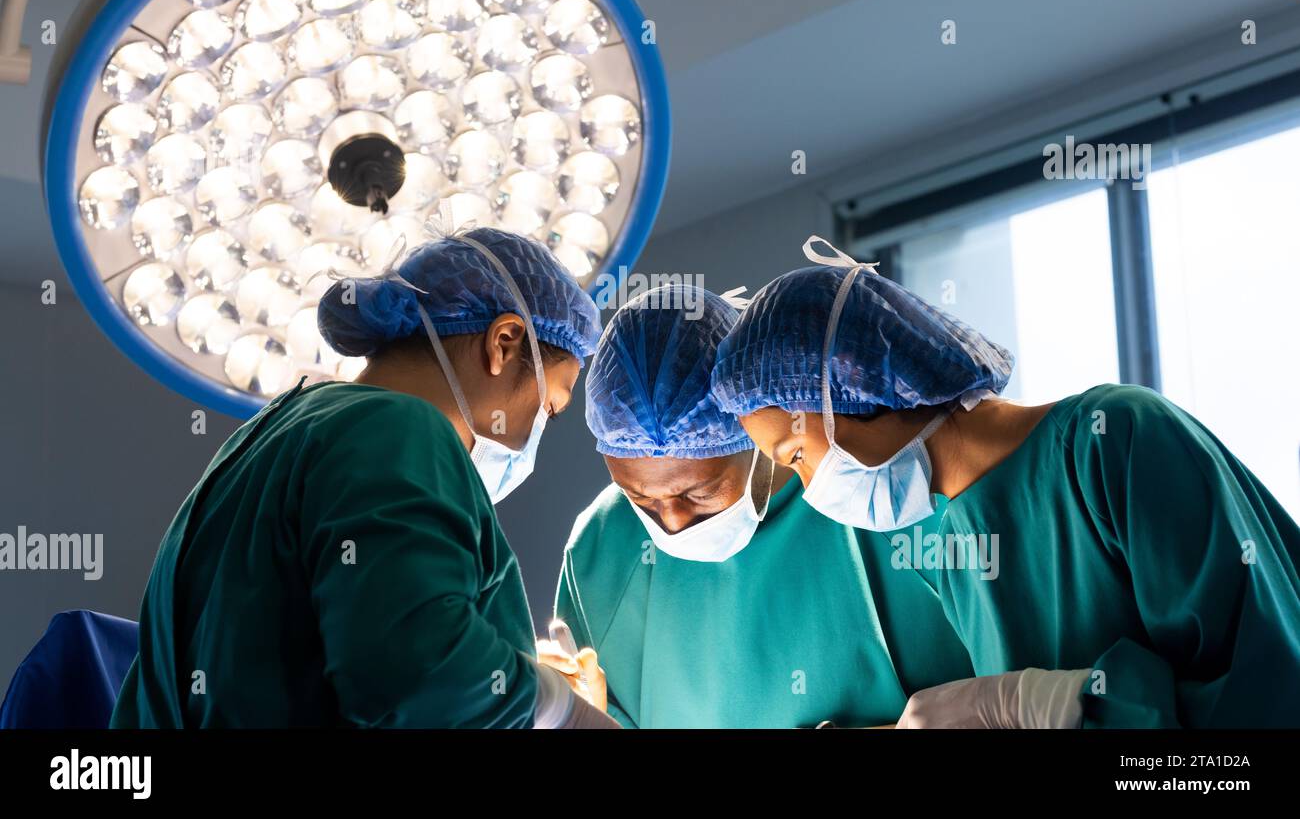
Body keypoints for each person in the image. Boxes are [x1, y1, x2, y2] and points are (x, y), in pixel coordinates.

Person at [711, 236, 1300, 728]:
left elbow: (1263, 704)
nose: (808, 487)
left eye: (794, 455)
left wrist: (1038, 707)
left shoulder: (1114, 440)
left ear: (853, 394)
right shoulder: (953, 551)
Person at [112, 228, 616, 729]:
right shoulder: (399, 430)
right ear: (504, 343)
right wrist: (560, 710)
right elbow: (419, 672)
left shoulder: (270, 432)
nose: (536, 431)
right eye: (551, 405)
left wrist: (505, 671)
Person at [545, 284, 974, 728]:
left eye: (698, 494)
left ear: (756, 432)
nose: (671, 523)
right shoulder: (601, 546)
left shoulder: (881, 493)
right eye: (640, 499)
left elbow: (1022, 697)